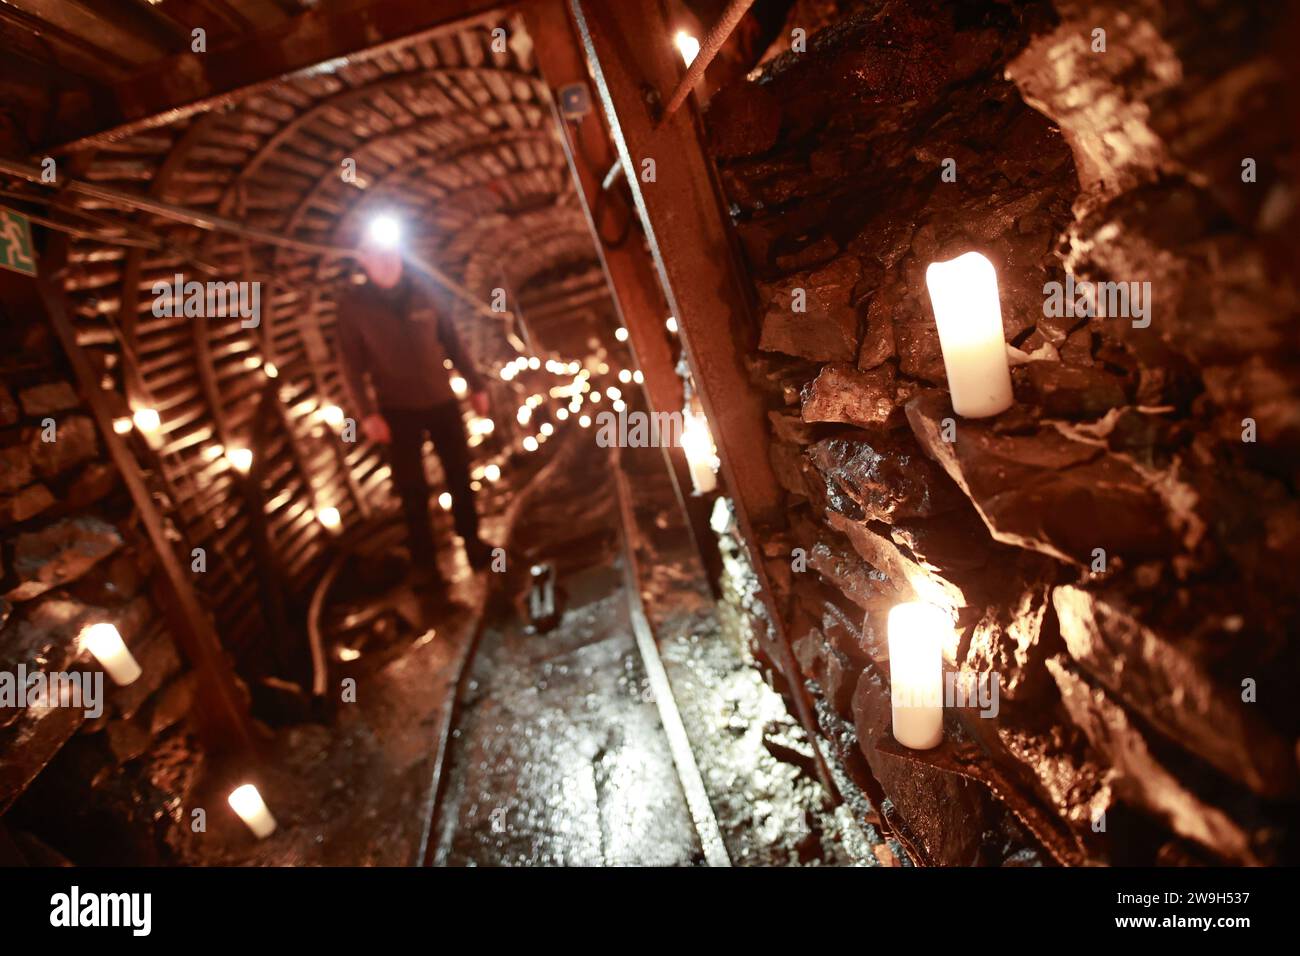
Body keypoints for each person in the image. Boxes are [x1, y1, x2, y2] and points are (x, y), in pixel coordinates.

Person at [335, 224, 494, 581]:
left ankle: (472, 543)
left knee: (459, 473)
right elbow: (350, 364)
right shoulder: (354, 307)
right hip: (397, 409)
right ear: (364, 262)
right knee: (412, 488)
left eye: (391, 254)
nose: (387, 262)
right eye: (377, 256)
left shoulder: (425, 292)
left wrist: (476, 385)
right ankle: (425, 564)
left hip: (441, 400)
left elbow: (452, 341)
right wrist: (367, 414)